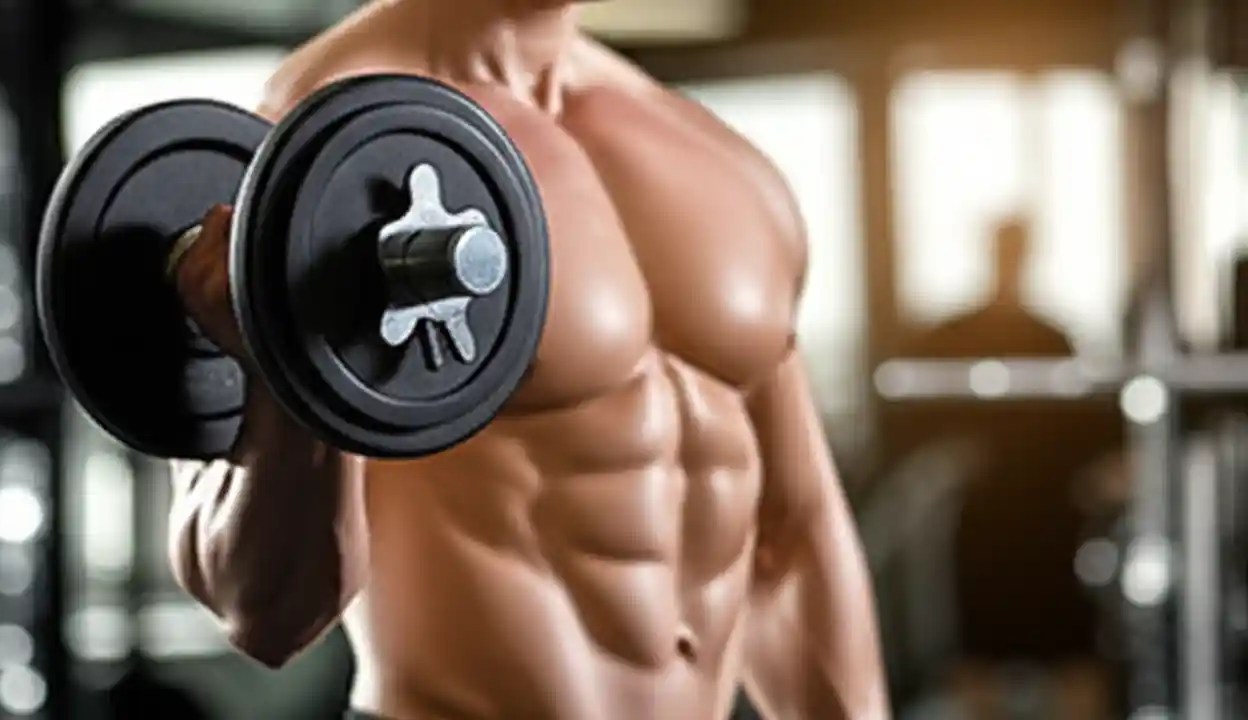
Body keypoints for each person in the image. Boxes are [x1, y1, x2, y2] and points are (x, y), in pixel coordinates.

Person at [166, 1, 888, 718]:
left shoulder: (705, 150)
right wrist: (279, 378)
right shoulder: (314, 140)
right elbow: (262, 613)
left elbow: (791, 536)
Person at [888, 217, 1113, 719]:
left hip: (1054, 523)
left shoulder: (1055, 338)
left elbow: (1092, 443)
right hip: (985, 526)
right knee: (978, 671)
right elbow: (913, 433)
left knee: (1076, 672)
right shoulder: (949, 337)